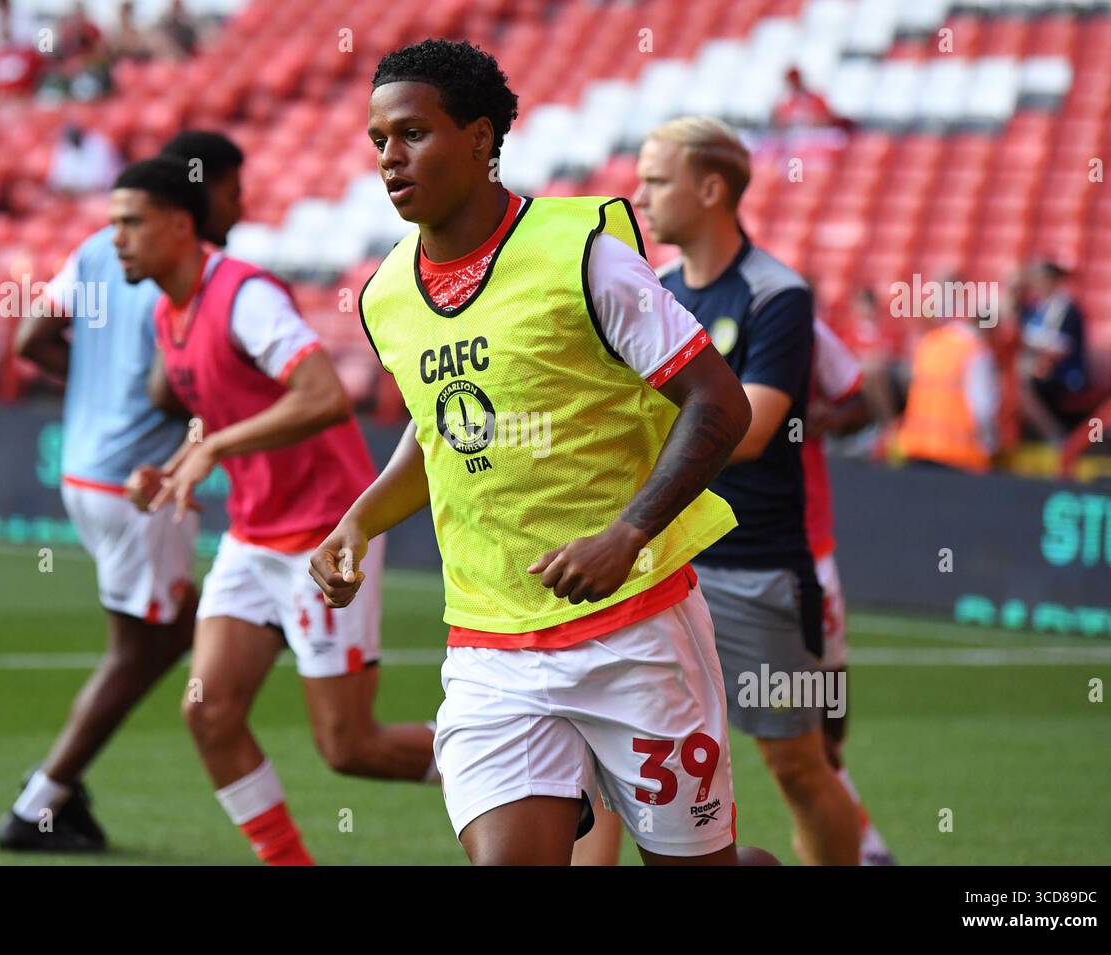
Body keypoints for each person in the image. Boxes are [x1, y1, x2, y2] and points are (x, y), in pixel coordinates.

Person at [312, 40, 758, 867]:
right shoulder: (385, 296)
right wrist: (358, 521)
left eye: (412, 134)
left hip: (637, 632)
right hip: (490, 649)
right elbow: (440, 430)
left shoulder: (582, 254)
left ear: (481, 139)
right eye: (378, 141)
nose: (389, 159)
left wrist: (625, 535)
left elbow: (718, 402)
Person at [114, 157, 438, 866]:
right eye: (113, 223)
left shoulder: (244, 296)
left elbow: (323, 395)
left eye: (130, 222)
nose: (117, 238)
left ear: (178, 224)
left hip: (326, 531)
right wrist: (173, 469)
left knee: (350, 747)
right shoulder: (171, 313)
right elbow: (229, 410)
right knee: (208, 710)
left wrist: (216, 443)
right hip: (254, 534)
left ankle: (535, 771)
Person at [0, 131, 242, 852]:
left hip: (86, 472)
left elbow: (31, 340)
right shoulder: (194, 265)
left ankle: (55, 792)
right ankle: (41, 800)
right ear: (193, 195)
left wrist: (100, 390)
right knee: (143, 649)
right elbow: (172, 386)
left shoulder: (96, 249)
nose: (239, 203)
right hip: (141, 484)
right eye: (231, 188)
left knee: (158, 636)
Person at [633, 115, 862, 865]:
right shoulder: (654, 291)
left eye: (657, 179)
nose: (640, 194)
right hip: (665, 569)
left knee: (801, 766)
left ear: (711, 188)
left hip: (758, 569)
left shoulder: (776, 293)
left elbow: (754, 427)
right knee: (624, 770)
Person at [804, 318, 896, 866]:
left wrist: (828, 418)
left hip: (802, 552)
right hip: (693, 553)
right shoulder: (664, 299)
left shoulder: (791, 312)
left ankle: (858, 839)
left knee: (822, 721)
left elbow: (858, 402)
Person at [899, 288, 1000, 473]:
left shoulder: (930, 342)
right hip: (958, 457)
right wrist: (990, 445)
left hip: (917, 449)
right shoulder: (977, 351)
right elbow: (983, 408)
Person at [1018, 260, 1088, 443]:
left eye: (1039, 278)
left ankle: (1056, 435)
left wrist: (1029, 344)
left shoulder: (1068, 310)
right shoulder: (1037, 308)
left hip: (1064, 373)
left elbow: (1063, 348)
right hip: (1039, 367)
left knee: (1022, 387)